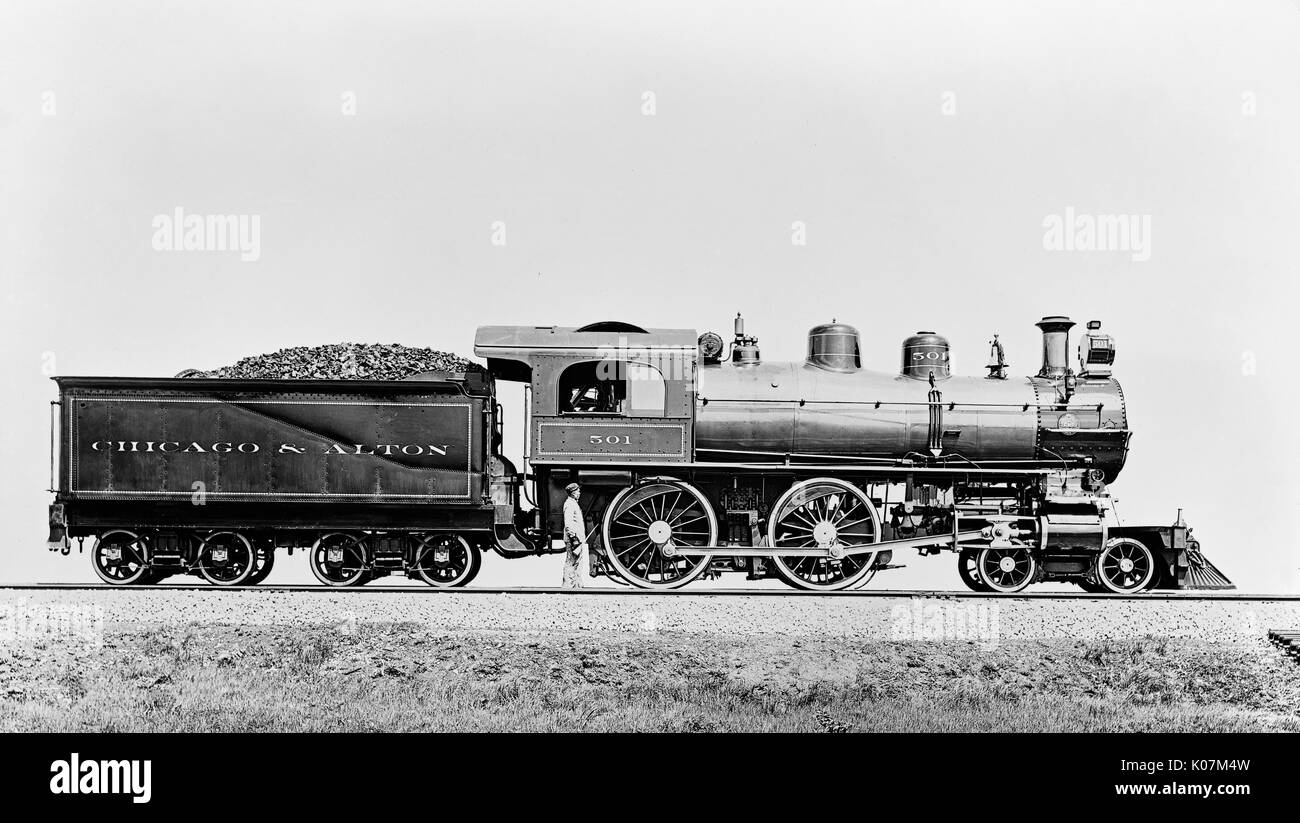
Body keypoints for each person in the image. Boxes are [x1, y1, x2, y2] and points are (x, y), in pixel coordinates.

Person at [561, 482, 588, 589]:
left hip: (577, 538)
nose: (579, 493)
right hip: (574, 539)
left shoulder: (573, 503)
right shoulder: (569, 504)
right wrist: (573, 538)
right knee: (571, 561)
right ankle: (567, 585)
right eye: (577, 491)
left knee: (577, 562)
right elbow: (568, 523)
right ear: (572, 493)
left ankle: (576, 585)